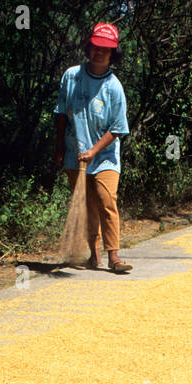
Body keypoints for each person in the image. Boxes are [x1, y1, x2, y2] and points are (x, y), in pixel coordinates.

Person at [54, 22, 131, 273]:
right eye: (96, 48)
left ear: (112, 55)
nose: (99, 53)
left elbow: (117, 128)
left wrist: (94, 151)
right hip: (74, 151)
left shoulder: (114, 87)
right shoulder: (71, 76)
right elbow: (60, 114)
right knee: (87, 204)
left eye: (105, 50)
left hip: (105, 155)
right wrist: (59, 148)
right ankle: (93, 255)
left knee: (106, 199)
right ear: (89, 48)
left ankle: (114, 256)